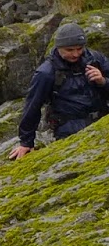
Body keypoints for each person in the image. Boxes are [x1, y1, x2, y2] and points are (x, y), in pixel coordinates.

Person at [8, 22, 109, 159]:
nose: (75, 54)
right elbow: (33, 105)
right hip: (70, 130)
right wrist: (26, 142)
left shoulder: (95, 59)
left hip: (102, 120)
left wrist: (103, 82)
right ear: (59, 47)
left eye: (79, 49)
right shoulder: (46, 73)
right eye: (69, 50)